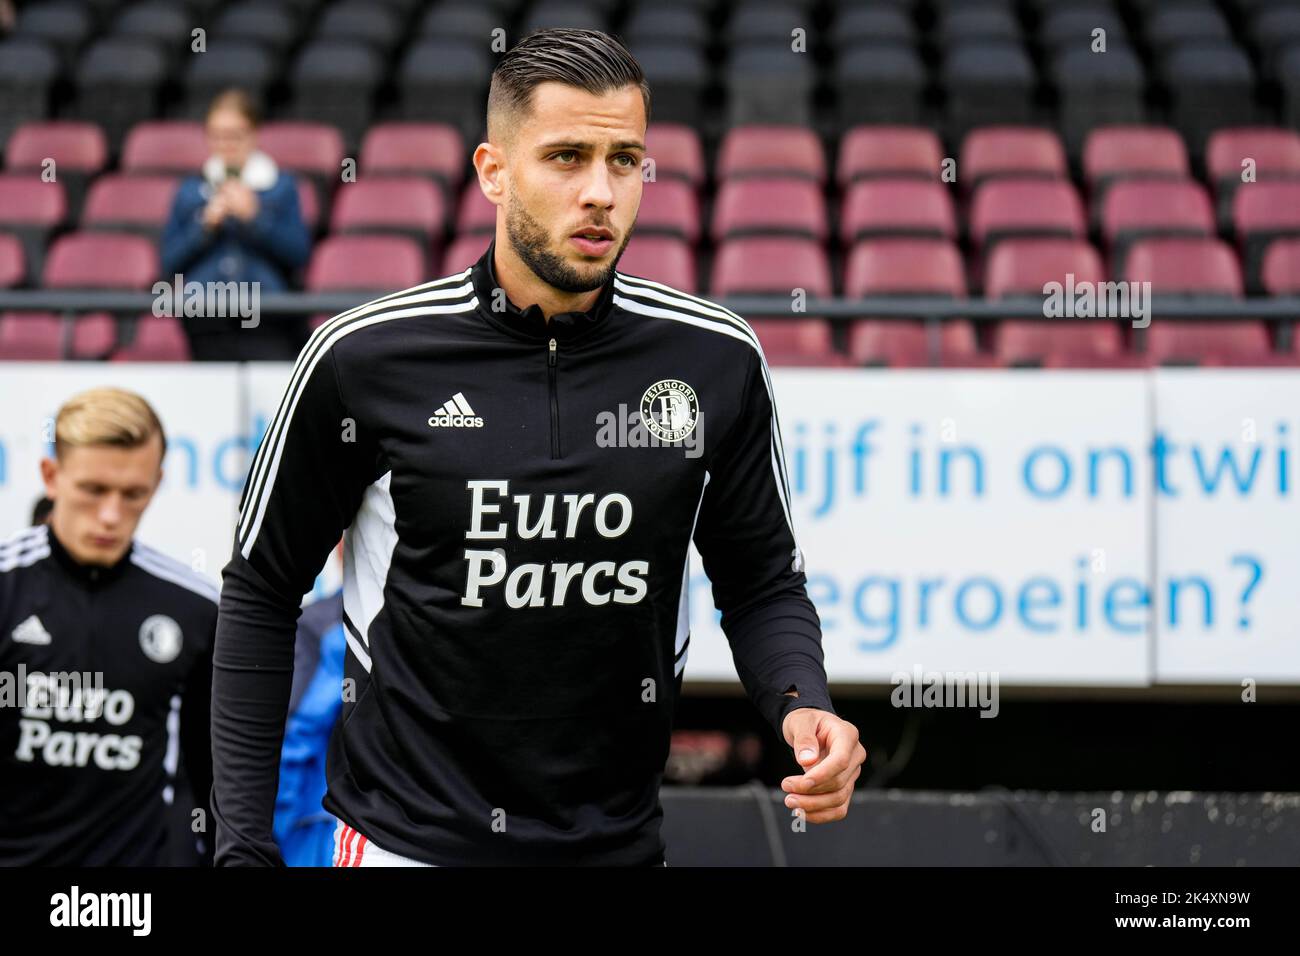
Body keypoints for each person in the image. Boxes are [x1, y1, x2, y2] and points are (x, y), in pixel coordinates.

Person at [212, 28, 865, 868]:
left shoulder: (718, 359)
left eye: (624, 159)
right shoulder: (364, 357)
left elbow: (761, 580)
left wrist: (801, 702)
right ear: (494, 171)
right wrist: (240, 849)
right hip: (403, 847)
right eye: (566, 157)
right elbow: (261, 588)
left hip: (620, 849)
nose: (601, 191)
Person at [0, 387, 217, 865]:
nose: (111, 515)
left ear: (157, 484)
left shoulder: (196, 608)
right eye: (93, 490)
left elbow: (214, 777)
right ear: (50, 476)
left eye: (133, 494)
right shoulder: (7, 589)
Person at [160, 88, 311, 361]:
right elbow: (169, 261)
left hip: (267, 315)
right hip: (206, 315)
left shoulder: (281, 186)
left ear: (253, 135)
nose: (225, 145)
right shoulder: (190, 190)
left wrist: (255, 218)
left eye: (234, 135)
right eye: (217, 136)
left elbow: (298, 254)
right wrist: (204, 226)